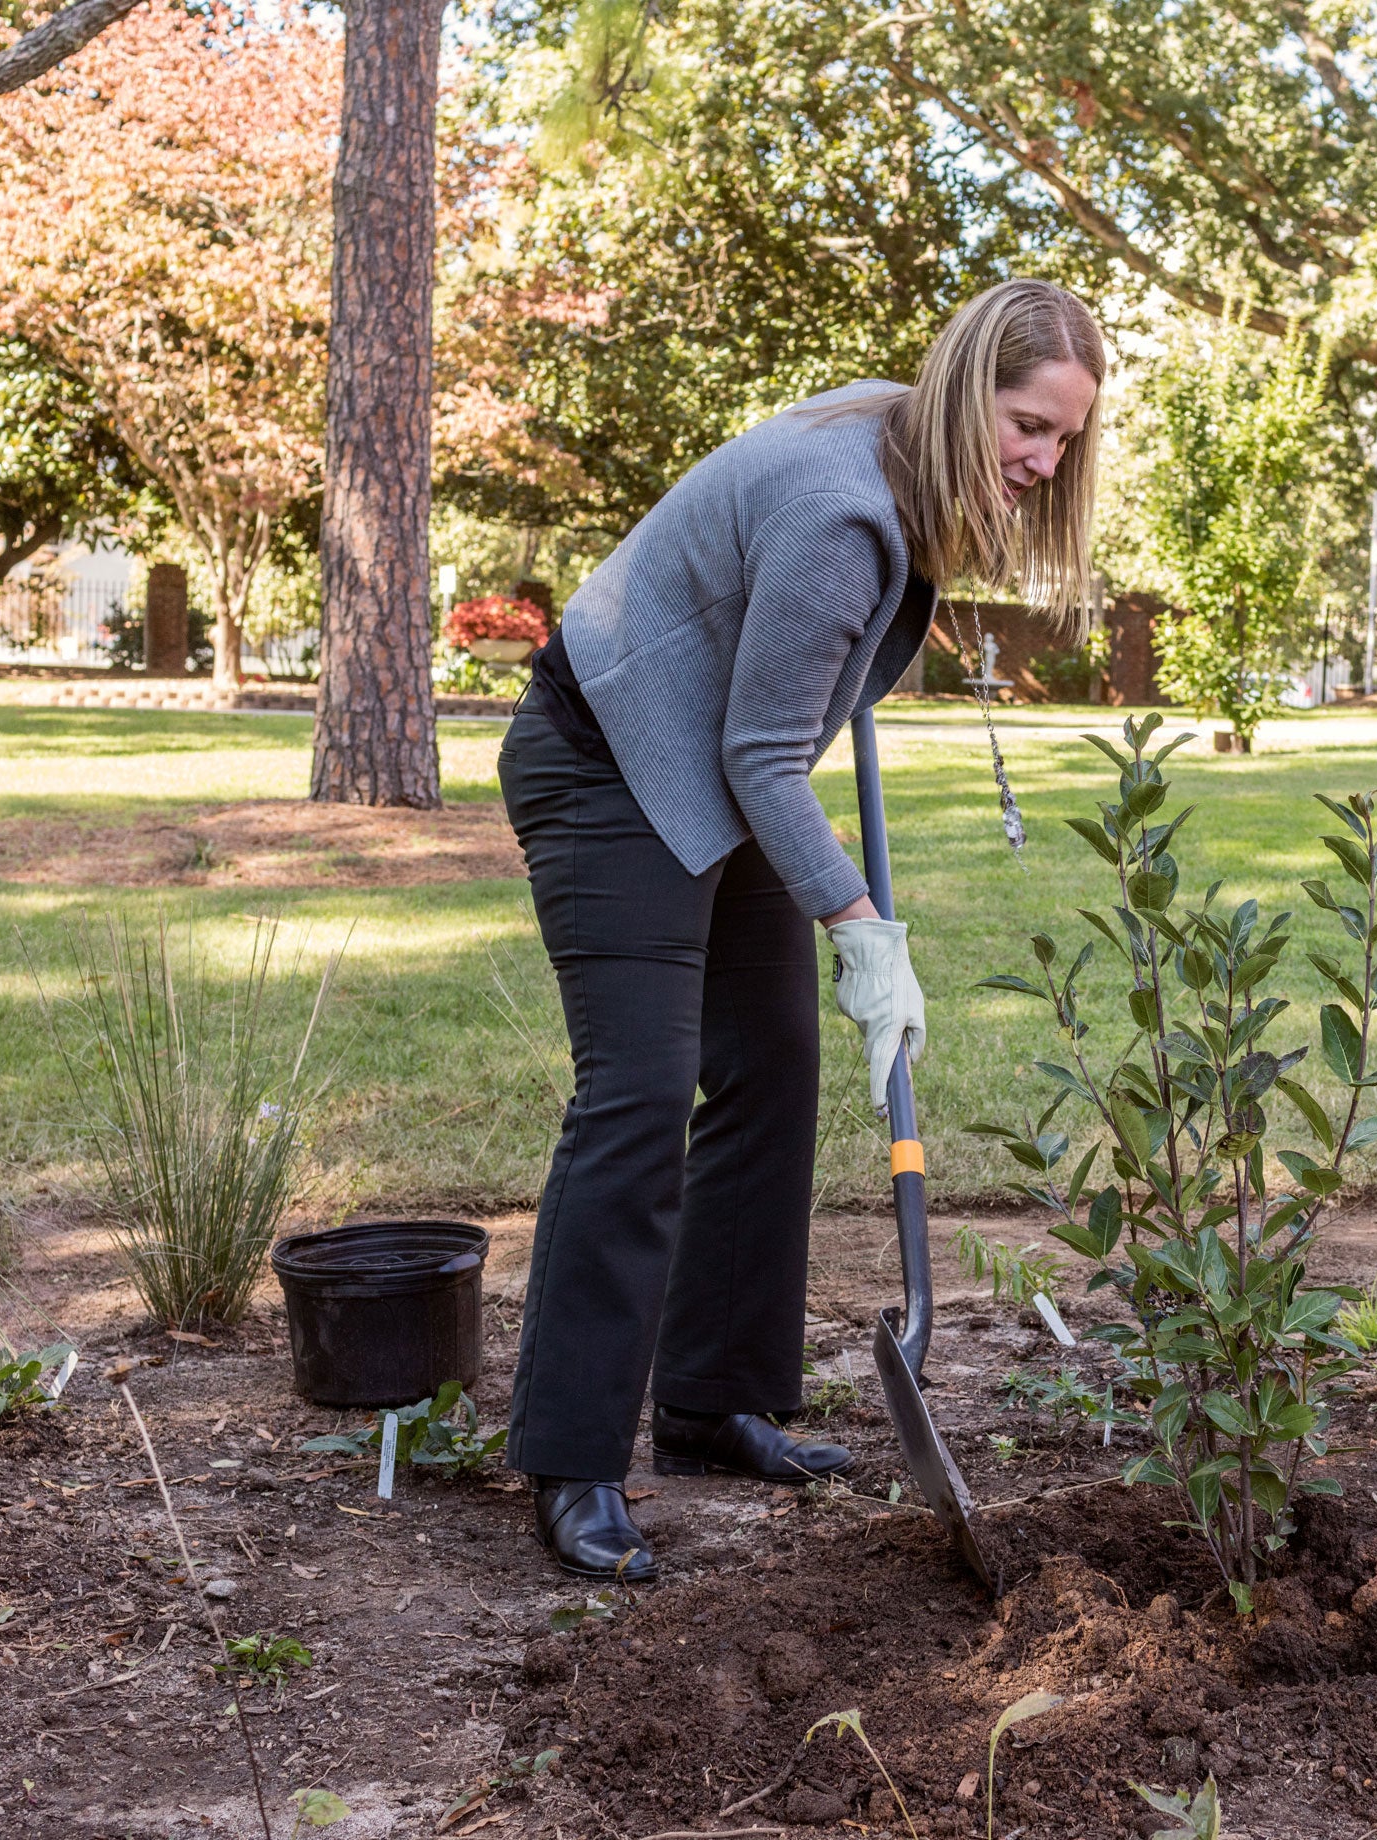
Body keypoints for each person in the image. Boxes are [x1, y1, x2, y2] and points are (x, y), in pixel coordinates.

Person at [498, 279, 1104, 1577]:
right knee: (640, 1091)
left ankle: (717, 1397)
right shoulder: (848, 507)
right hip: (604, 762)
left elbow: (767, 725)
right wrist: (861, 922)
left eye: (1065, 441)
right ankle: (572, 1459)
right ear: (964, 392)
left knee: (773, 1058)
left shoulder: (903, 456)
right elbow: (769, 754)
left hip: (701, 766)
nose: (1043, 463)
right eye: (1027, 425)